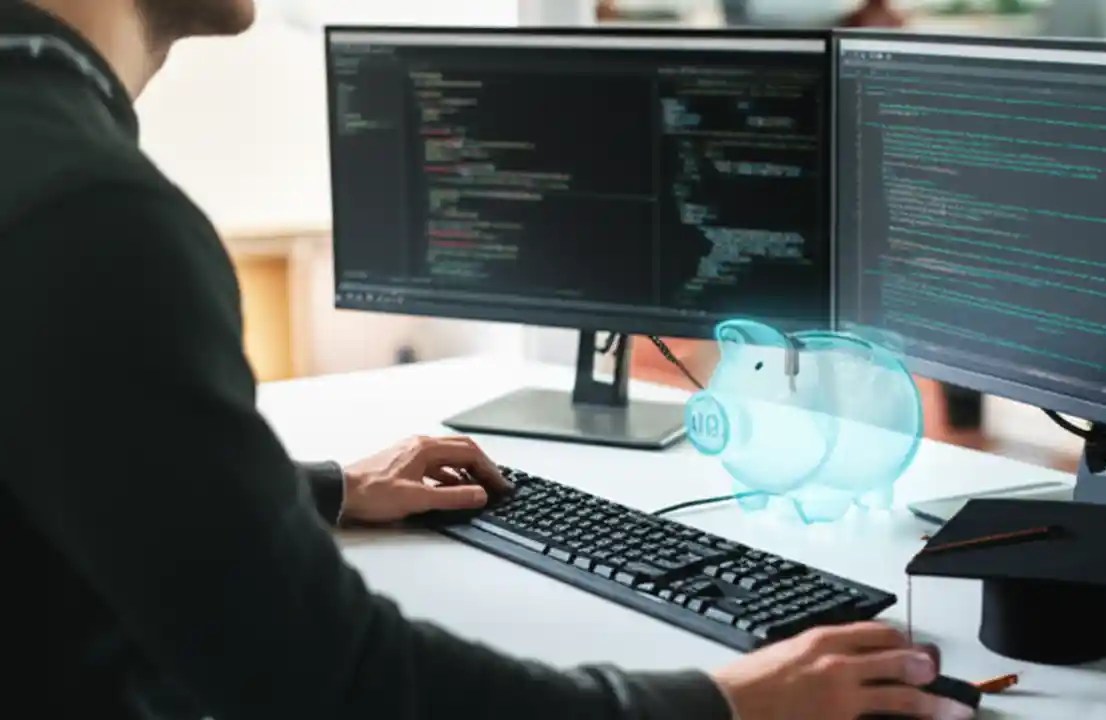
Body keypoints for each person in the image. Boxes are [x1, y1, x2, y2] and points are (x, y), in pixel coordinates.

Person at [0, 1, 974, 718]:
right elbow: (330, 685)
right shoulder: (89, 216)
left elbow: (75, 475)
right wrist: (721, 704)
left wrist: (323, 489)